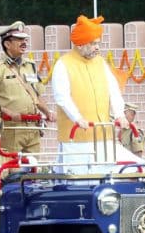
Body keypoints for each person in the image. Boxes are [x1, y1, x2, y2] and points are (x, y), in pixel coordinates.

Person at [50, 15, 136, 171]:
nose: (97, 47)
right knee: (80, 181)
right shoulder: (63, 64)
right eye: (93, 43)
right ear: (81, 44)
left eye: (98, 43)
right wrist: (77, 118)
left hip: (103, 136)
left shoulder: (100, 63)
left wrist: (119, 115)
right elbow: (62, 97)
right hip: (76, 140)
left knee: (119, 173)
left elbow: (113, 90)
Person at [0, 21, 54, 154]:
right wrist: (8, 113)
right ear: (7, 44)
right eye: (19, 39)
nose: (24, 42)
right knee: (12, 170)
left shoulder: (30, 66)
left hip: (33, 127)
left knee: (33, 169)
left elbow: (37, 97)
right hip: (11, 128)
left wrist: (47, 112)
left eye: (24, 39)